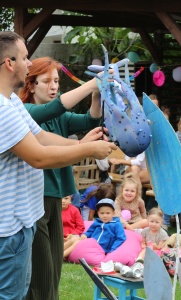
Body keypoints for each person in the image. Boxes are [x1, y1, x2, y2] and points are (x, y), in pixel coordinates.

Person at [0, 31, 116, 299]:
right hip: (10, 227)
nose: (29, 64)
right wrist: (88, 149)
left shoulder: (12, 101)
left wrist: (80, 146)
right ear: (9, 63)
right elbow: (38, 156)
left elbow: (41, 137)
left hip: (22, 221)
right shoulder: (3, 110)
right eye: (25, 58)